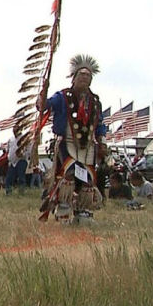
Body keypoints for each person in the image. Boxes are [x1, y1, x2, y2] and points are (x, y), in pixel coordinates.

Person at [37, 55, 107, 222]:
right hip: (66, 144)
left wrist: (102, 142)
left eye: (88, 75)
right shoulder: (62, 96)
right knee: (68, 175)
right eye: (81, 74)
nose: (85, 77)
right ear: (74, 78)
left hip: (87, 146)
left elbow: (100, 124)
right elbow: (44, 106)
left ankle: (84, 212)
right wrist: (43, 93)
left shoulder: (95, 102)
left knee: (88, 180)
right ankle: (63, 209)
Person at [5, 124, 28, 194]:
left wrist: (23, 154)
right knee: (9, 178)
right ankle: (8, 192)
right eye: (13, 129)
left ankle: (21, 192)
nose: (14, 131)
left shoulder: (24, 138)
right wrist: (8, 157)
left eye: (16, 129)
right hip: (12, 162)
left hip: (21, 160)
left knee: (21, 177)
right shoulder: (10, 139)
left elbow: (28, 150)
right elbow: (8, 149)